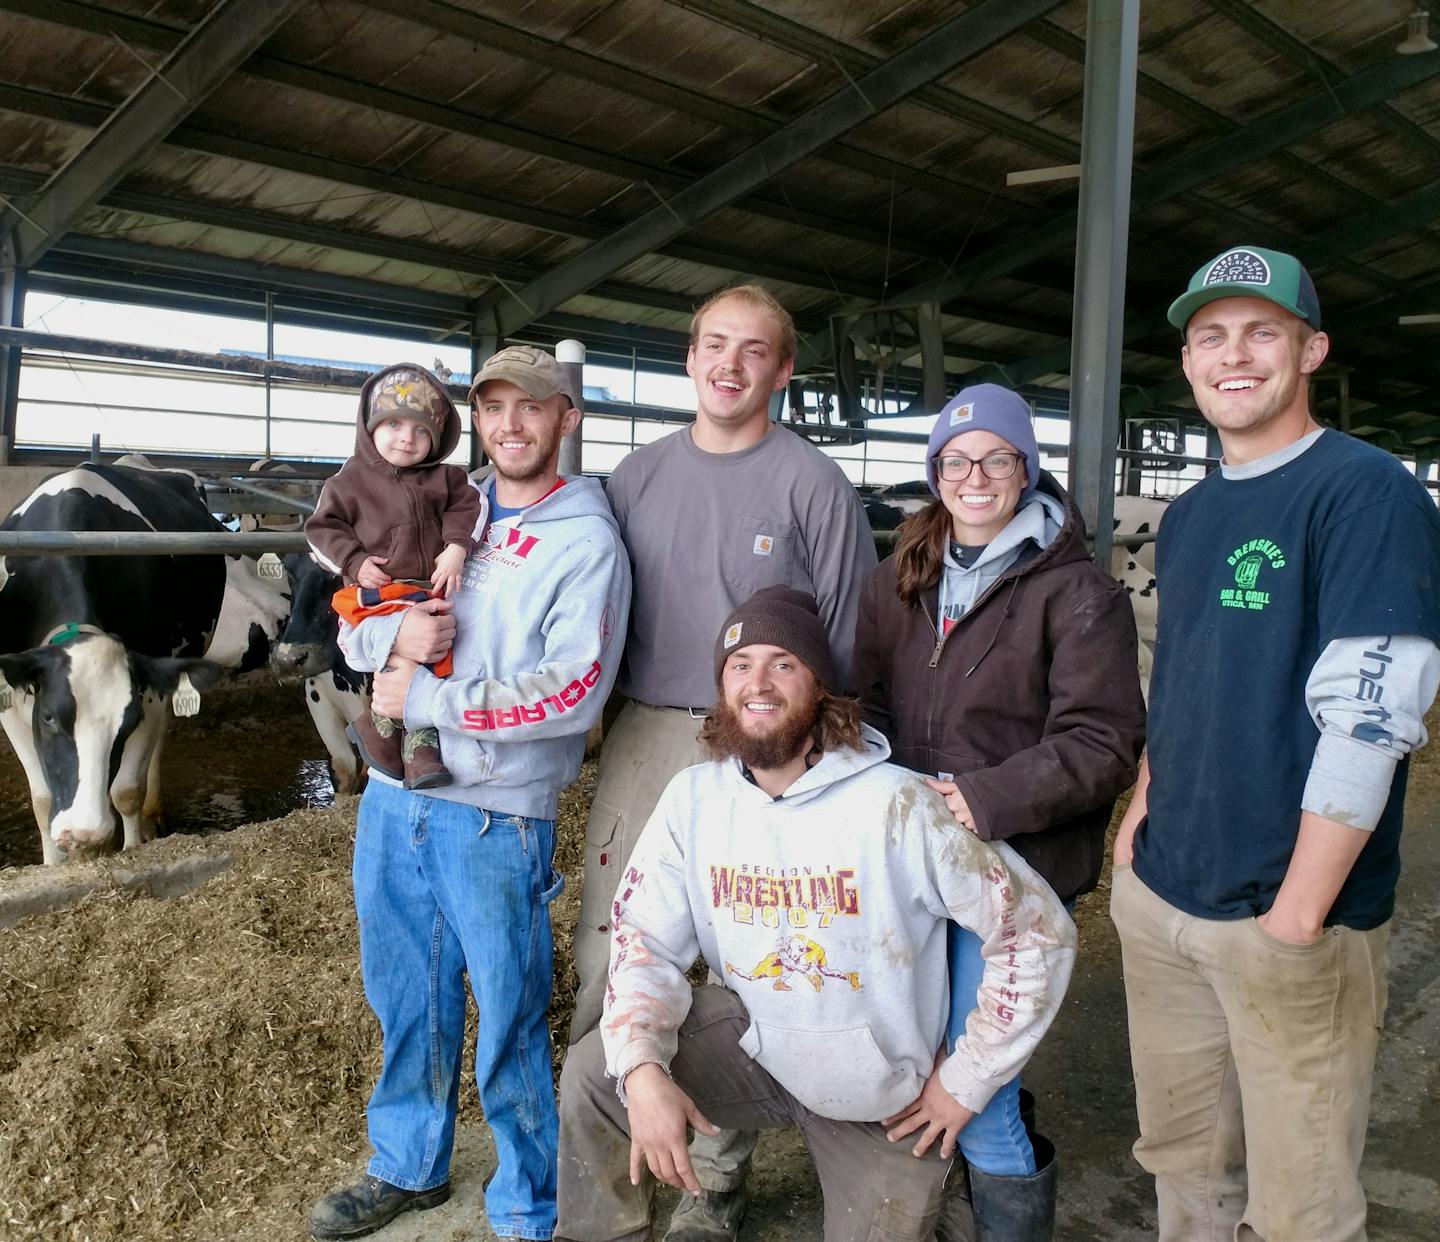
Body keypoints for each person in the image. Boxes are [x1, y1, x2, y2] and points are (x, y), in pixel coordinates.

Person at [555, 587, 1077, 1242]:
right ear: (721, 687)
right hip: (756, 1045)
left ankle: (942, 1204)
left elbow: (1038, 937)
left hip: (883, 1097)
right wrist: (642, 1070)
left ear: (819, 687)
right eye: (740, 665)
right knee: (597, 1071)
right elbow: (643, 944)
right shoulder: (695, 797)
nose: (758, 683)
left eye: (783, 663)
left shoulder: (901, 805)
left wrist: (967, 1080)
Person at [1110, 244, 1440, 1242]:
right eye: (1212, 337)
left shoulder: (1368, 491)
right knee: (1182, 1162)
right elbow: (1184, 677)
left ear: (1310, 350)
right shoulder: (1194, 514)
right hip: (1163, 893)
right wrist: (1139, 818)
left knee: (1300, 1203)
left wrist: (1299, 913)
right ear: (1189, 362)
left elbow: (1373, 714)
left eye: (1262, 332)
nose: (1234, 355)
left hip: (1287, 917)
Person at [570, 284, 877, 1239]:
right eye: (712, 344)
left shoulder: (813, 483)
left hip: (765, 740)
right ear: (690, 357)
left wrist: (823, 754)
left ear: (783, 372)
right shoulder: (636, 475)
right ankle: (614, 1183)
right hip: (650, 728)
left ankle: (716, 1176)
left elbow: (851, 633)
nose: (729, 365)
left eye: (753, 350)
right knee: (611, 941)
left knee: (748, 952)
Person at [309, 345, 632, 1241]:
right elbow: (359, 634)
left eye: (531, 409)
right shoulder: (447, 504)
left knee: (511, 1015)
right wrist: (391, 646)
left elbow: (576, 691)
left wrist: (432, 698)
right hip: (391, 796)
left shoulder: (586, 540)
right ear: (474, 419)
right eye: (494, 408)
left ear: (566, 417)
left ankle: (530, 1203)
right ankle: (409, 1163)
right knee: (405, 993)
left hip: (495, 810)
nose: (511, 426)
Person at [854, 382, 1146, 1238]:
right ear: (934, 471)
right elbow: (867, 703)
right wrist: (864, 781)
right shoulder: (896, 579)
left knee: (974, 1094)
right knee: (923, 1060)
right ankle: (951, 1214)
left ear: (1027, 469)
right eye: (956, 460)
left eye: (997, 459)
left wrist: (983, 796)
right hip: (908, 861)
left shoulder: (1079, 594)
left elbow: (1102, 742)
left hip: (1012, 873)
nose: (975, 476)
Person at [306, 362, 484, 791]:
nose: (407, 437)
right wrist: (353, 561)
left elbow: (470, 509)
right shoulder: (348, 482)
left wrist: (457, 548)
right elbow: (321, 530)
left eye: (422, 431)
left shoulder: (448, 479)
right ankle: (418, 746)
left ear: (439, 439)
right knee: (414, 657)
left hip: (426, 589)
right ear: (371, 427)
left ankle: (381, 733)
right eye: (394, 424)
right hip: (376, 592)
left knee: (439, 654)